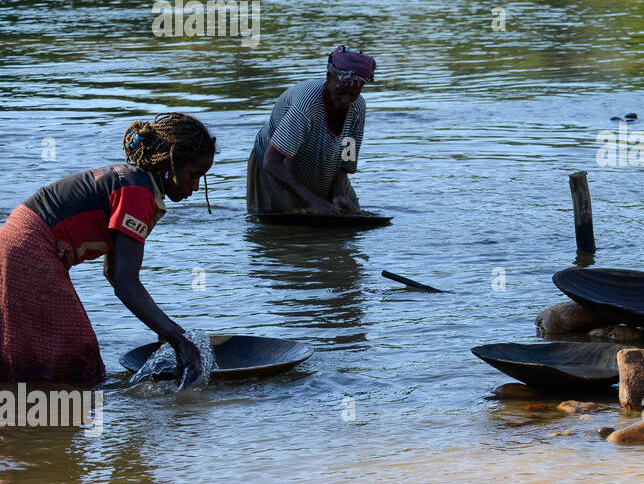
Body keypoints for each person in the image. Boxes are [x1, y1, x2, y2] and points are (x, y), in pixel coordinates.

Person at [0, 113, 216, 384]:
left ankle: (35, 418)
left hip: (16, 240)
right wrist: (178, 340)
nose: (195, 186)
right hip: (30, 248)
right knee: (76, 357)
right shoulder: (138, 194)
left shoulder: (133, 182)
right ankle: (57, 416)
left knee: (38, 349)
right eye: (193, 175)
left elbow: (114, 274)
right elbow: (126, 283)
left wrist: (169, 331)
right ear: (169, 163)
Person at [246, 46, 376, 215]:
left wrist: (339, 192)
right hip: (279, 164)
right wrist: (313, 200)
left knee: (344, 216)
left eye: (353, 94)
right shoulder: (307, 106)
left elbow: (348, 151)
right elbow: (271, 163)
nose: (346, 100)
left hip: (324, 162)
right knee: (285, 226)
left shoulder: (357, 107)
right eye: (341, 92)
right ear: (329, 77)